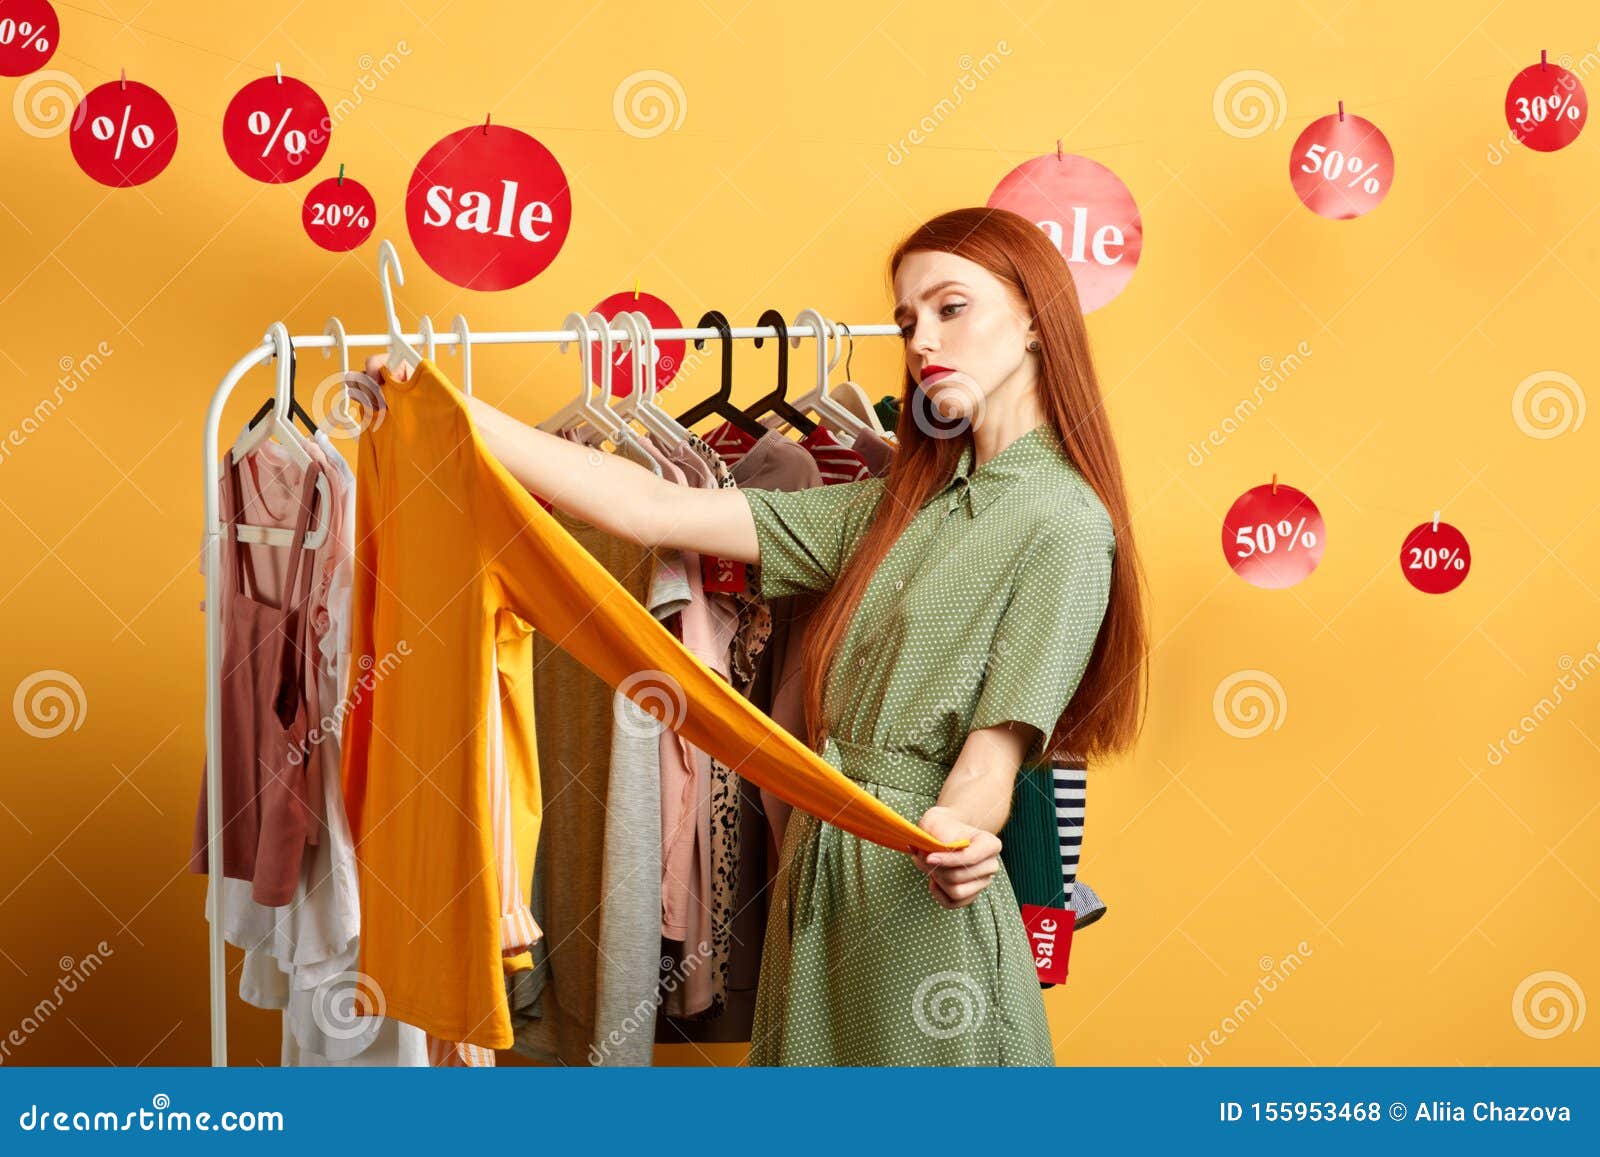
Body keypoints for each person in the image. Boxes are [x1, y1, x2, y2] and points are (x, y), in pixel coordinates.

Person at [365, 205, 1148, 1065]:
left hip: (920, 900)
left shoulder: (1065, 522)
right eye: (906, 319)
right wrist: (450, 408)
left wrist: (960, 840)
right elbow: (654, 506)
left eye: (949, 306)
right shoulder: (898, 506)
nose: (922, 339)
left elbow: (990, 762)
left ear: (1036, 315)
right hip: (820, 876)